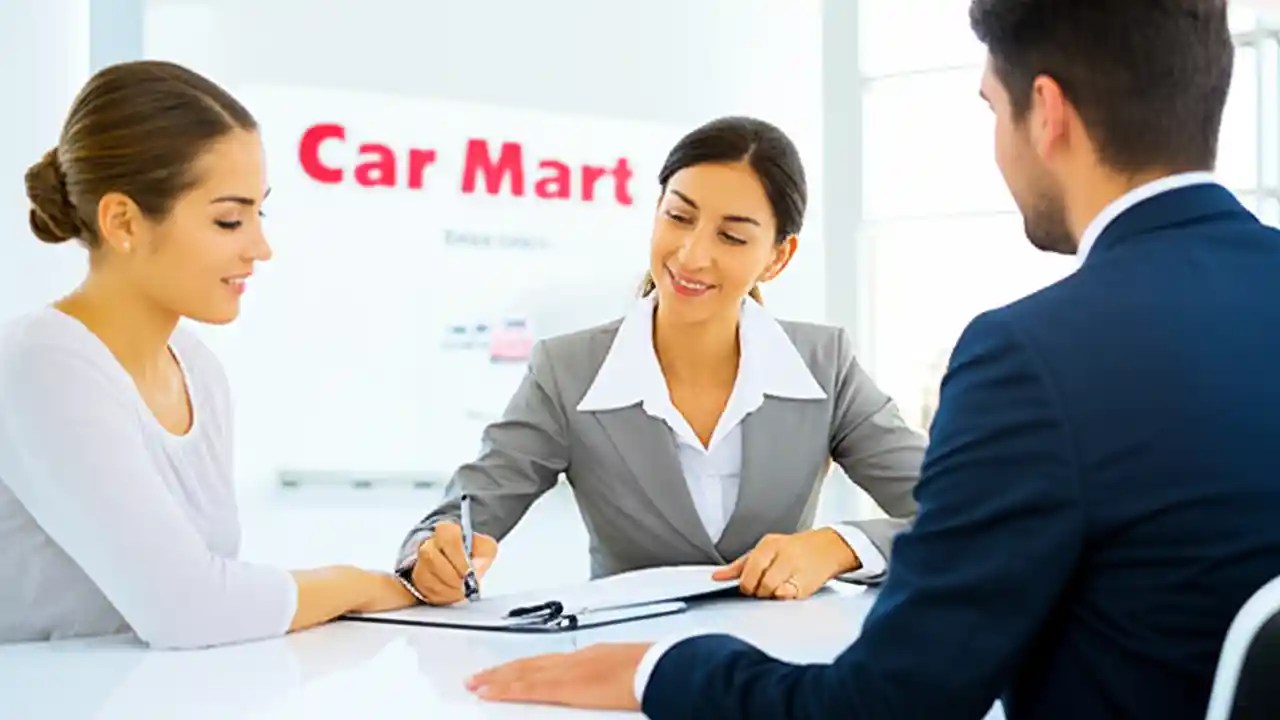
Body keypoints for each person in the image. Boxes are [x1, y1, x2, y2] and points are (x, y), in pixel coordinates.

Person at [462, 1, 1280, 718]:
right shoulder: (572, 366)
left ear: (1048, 112)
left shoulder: (1029, 357)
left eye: (991, 110)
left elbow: (889, 704)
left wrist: (657, 671)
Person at [396, 116, 925, 606]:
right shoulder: (568, 371)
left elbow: (961, 512)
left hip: (778, 675)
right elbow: (454, 520)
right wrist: (434, 559)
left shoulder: (824, 365)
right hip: (622, 676)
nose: (692, 254)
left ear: (777, 257)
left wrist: (839, 546)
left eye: (732, 236)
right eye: (679, 217)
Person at [0, 60, 415, 650]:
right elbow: (189, 609)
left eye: (258, 213)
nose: (260, 247)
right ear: (122, 221)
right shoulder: (44, 366)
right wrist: (365, 586)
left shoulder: (198, 370)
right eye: (229, 219)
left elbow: (211, 600)